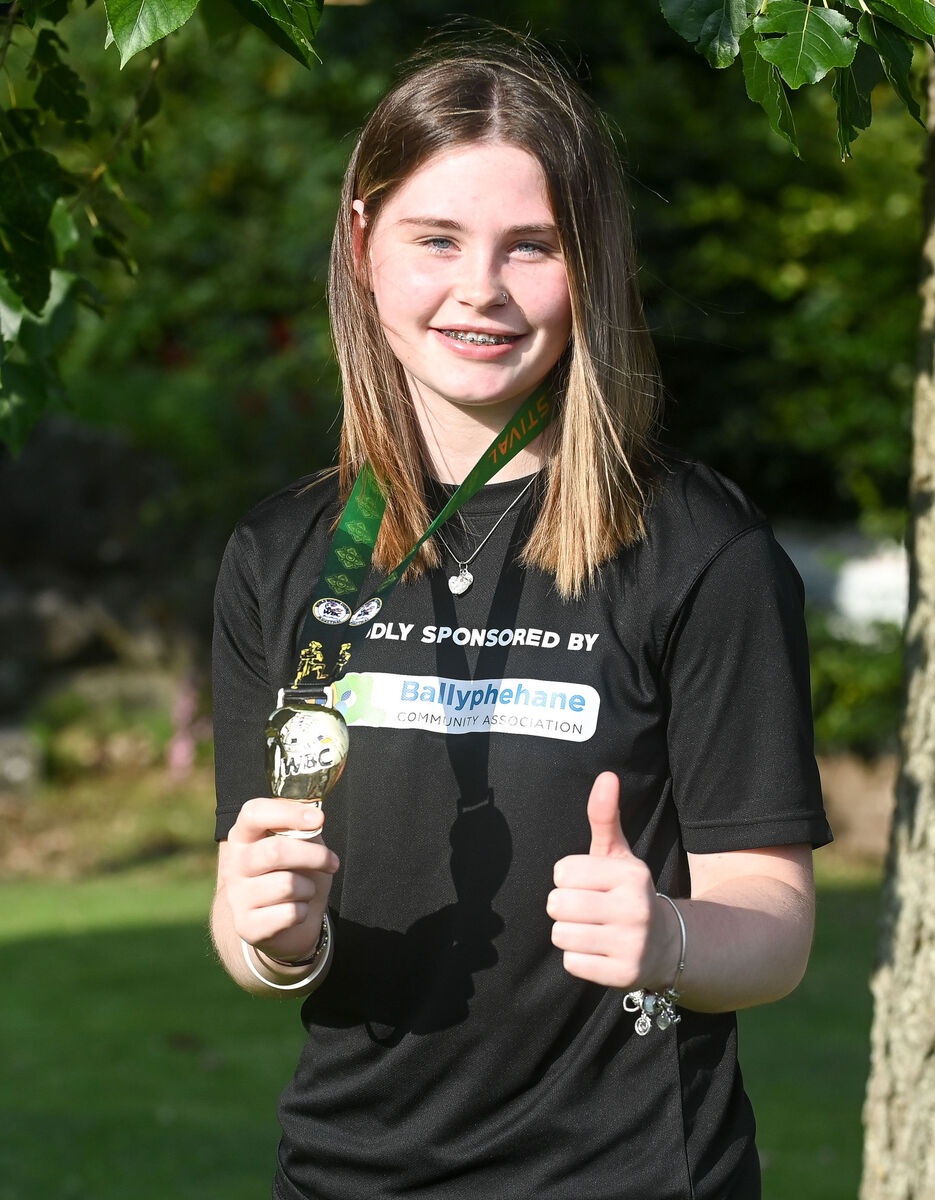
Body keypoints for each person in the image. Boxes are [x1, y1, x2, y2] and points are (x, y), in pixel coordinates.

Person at [210, 32, 832, 1200]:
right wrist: (268, 937)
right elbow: (255, 923)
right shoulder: (278, 554)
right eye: (434, 239)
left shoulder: (701, 548)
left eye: (531, 246)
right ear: (361, 246)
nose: (479, 289)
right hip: (341, 1174)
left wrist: (671, 942)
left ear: (587, 260)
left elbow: (778, 923)